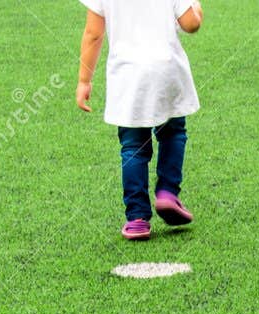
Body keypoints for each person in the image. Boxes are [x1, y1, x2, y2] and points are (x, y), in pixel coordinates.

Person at [76, 1, 204, 240]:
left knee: (133, 147)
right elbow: (191, 24)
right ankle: (167, 192)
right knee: (173, 132)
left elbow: (93, 33)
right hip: (166, 71)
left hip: (127, 76)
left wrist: (84, 80)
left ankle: (137, 218)